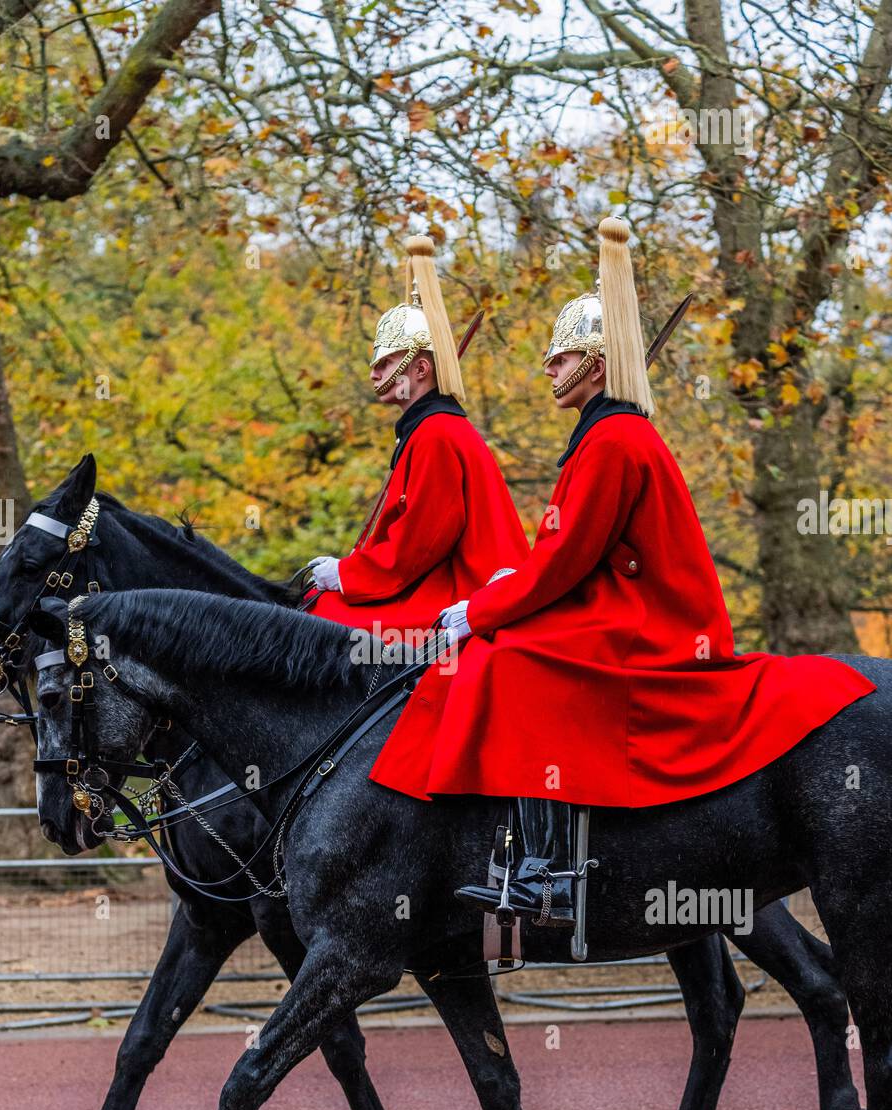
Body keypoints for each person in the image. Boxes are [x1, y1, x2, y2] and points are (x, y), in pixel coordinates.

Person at [368, 217, 876, 923]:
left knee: (507, 661)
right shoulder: (604, 436)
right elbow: (559, 558)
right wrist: (500, 591)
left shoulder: (612, 442)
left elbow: (561, 562)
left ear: (594, 363)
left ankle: (542, 870)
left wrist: (480, 610)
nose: (546, 369)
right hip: (613, 605)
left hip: (648, 622)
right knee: (501, 646)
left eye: (558, 358)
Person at [303, 235, 528, 642]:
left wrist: (346, 574)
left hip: (460, 590)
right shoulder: (426, 429)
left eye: (386, 362)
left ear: (420, 369)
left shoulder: (437, 433)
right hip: (434, 582)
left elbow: (421, 543)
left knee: (324, 622)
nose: (374, 373)